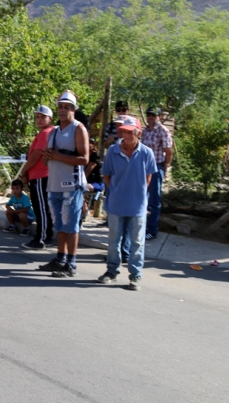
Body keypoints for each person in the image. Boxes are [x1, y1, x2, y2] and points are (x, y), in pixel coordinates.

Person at [97, 116, 157, 290]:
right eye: (124, 131)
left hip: (137, 205)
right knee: (114, 240)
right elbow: (106, 175)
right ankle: (112, 272)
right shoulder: (113, 152)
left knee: (137, 242)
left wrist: (138, 194)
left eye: (130, 132)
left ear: (138, 133)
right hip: (116, 204)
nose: (126, 134)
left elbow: (148, 177)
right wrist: (116, 191)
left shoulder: (147, 153)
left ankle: (135, 276)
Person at [39, 90, 89, 278]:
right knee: (59, 226)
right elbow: (47, 159)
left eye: (67, 107)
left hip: (71, 186)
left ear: (73, 110)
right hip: (54, 185)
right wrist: (47, 158)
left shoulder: (78, 129)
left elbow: (84, 159)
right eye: (60, 106)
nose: (62, 110)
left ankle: (71, 263)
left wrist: (58, 156)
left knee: (70, 226)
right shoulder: (53, 131)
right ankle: (59, 259)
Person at [21, 105, 55, 249]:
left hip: (41, 174)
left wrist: (24, 171)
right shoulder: (46, 132)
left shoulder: (46, 133)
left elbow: (36, 156)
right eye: (37, 117)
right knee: (43, 206)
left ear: (50, 119)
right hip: (40, 174)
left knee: (41, 207)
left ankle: (40, 238)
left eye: (43, 117)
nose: (39, 120)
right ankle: (46, 234)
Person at [140, 106, 173, 240]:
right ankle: (141, 227)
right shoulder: (145, 131)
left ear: (158, 116)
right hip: (143, 167)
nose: (150, 117)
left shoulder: (163, 131)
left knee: (154, 200)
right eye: (149, 115)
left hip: (156, 166)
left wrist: (166, 166)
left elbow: (168, 150)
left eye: (153, 115)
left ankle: (152, 230)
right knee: (142, 197)